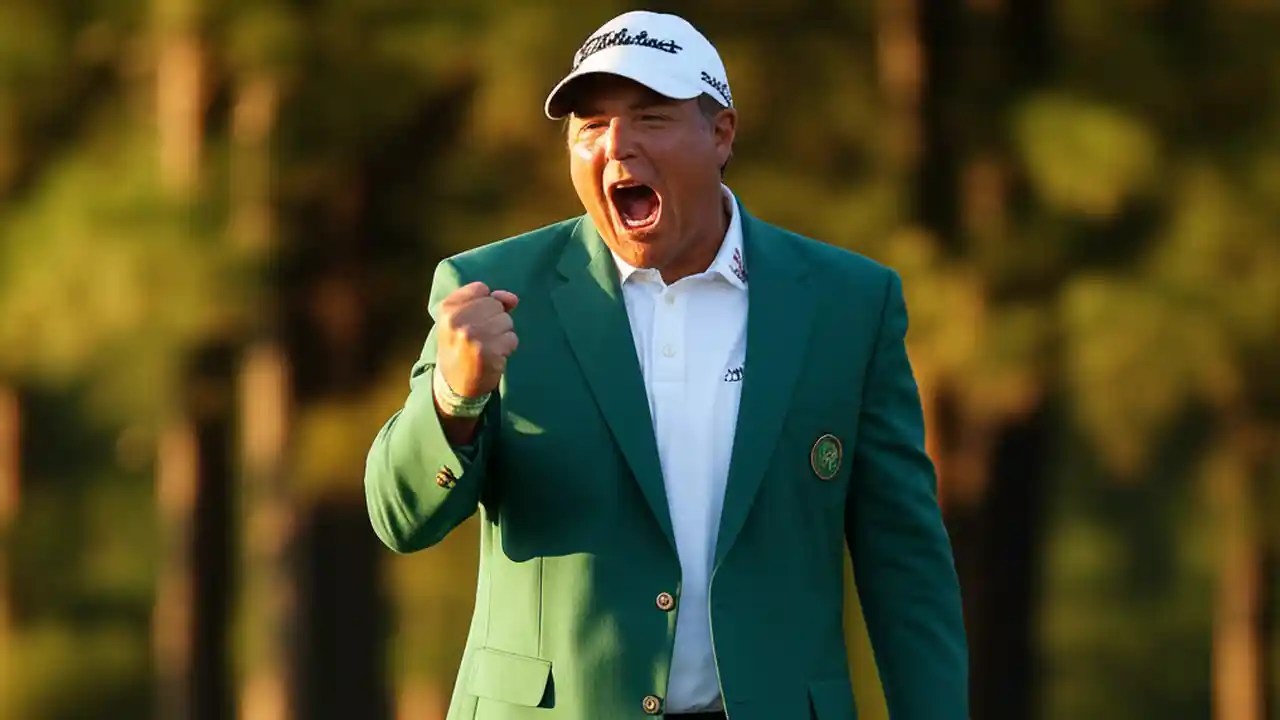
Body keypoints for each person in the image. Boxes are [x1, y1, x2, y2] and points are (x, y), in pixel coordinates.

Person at [364, 10, 967, 720]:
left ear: (721, 134)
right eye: (589, 126)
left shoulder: (848, 304)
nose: (616, 145)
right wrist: (453, 399)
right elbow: (397, 517)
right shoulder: (488, 288)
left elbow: (906, 564)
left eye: (649, 118)